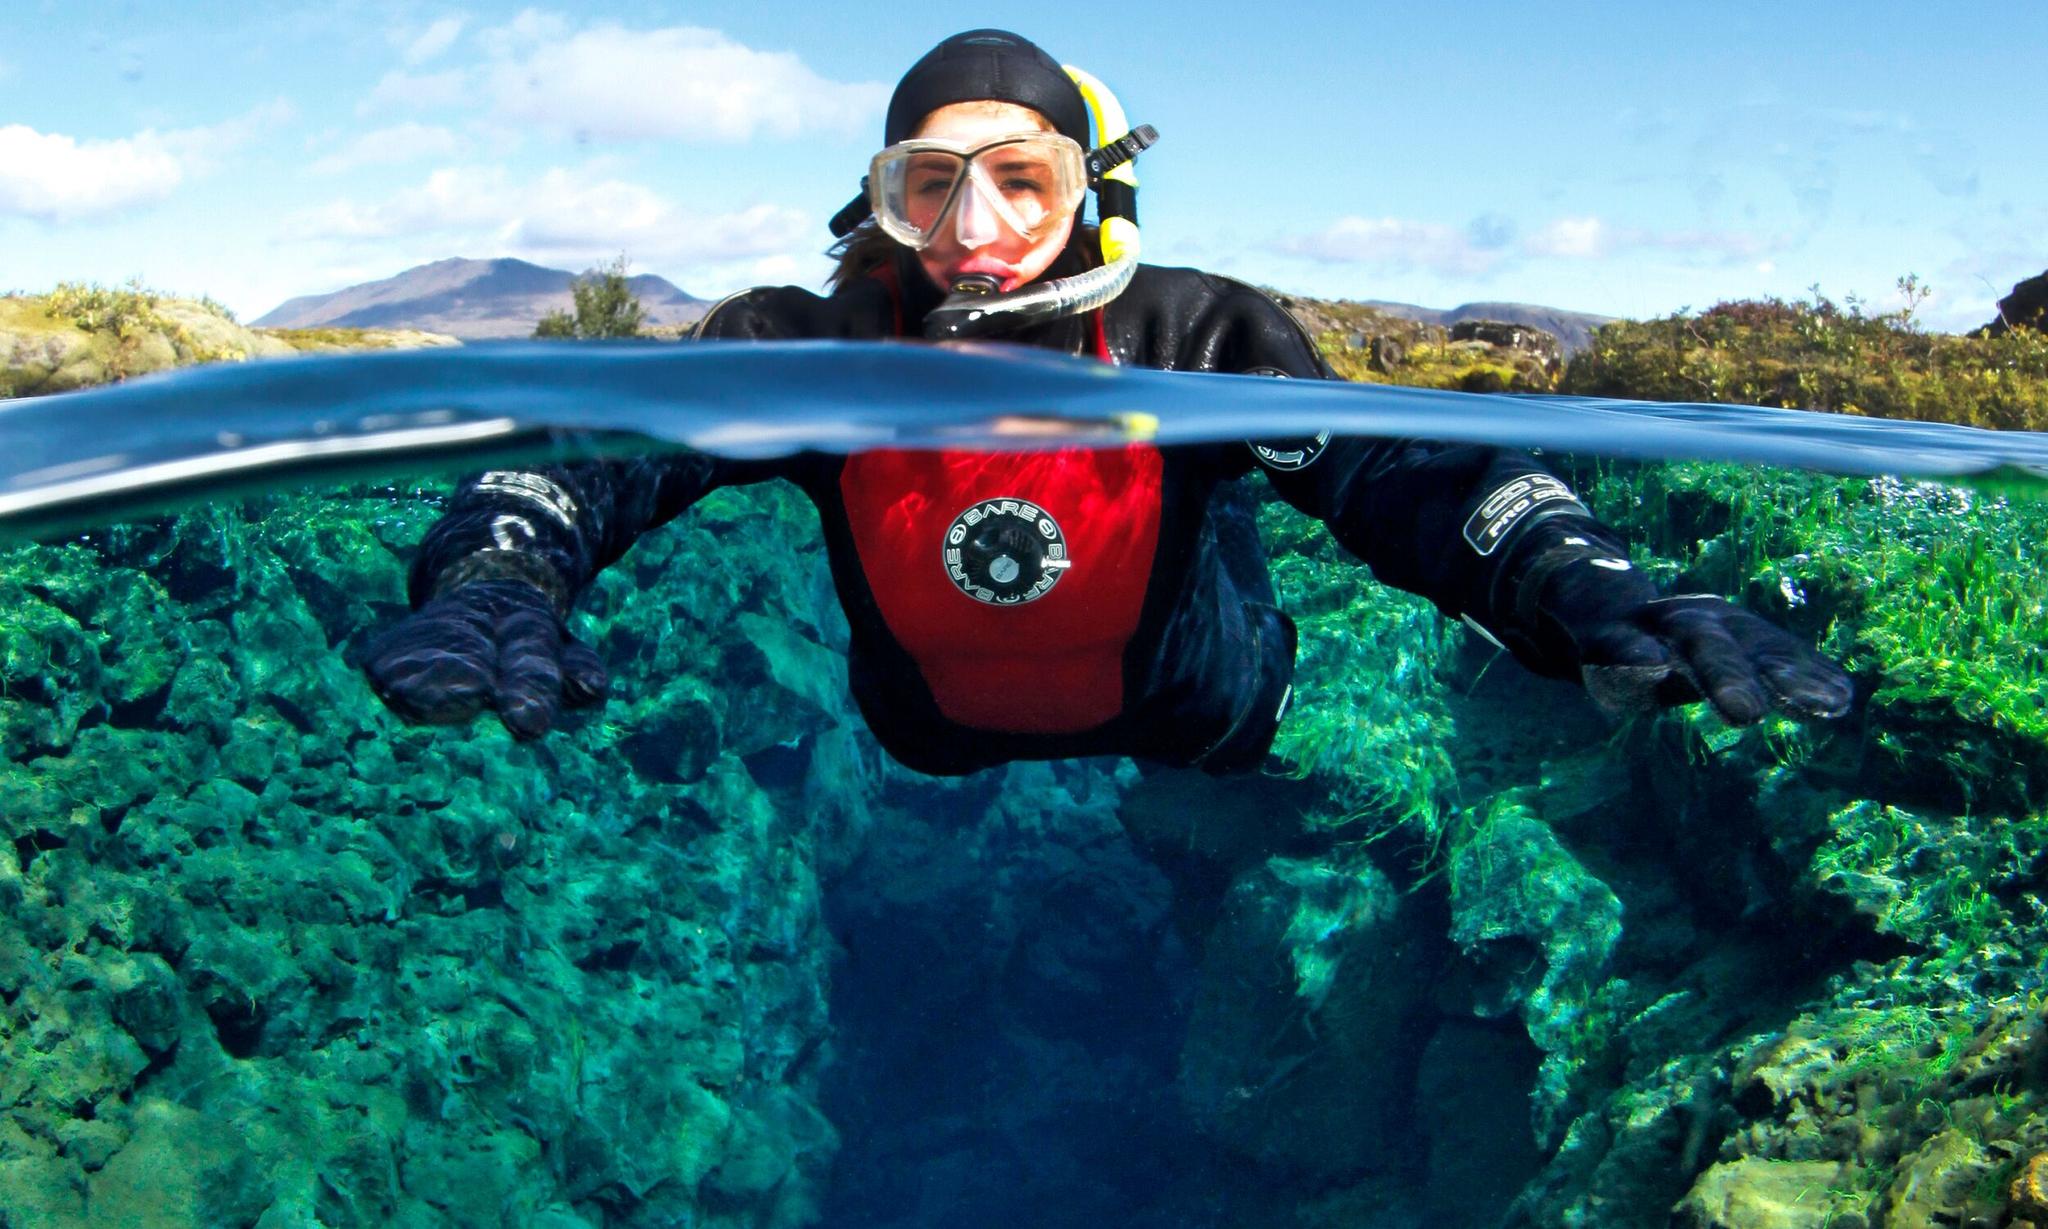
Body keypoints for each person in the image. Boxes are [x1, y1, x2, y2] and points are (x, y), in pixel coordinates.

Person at [362, 29, 1852, 777]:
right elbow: (604, 453)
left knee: (1241, 523)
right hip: (930, 730)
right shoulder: (812, 343)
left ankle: (1226, 523)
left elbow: (1403, 472)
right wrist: (498, 574)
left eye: (1024, 179)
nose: (978, 228)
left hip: (1205, 705)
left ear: (1090, 194)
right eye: (929, 184)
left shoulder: (1197, 332)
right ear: (880, 204)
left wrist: (1581, 583)